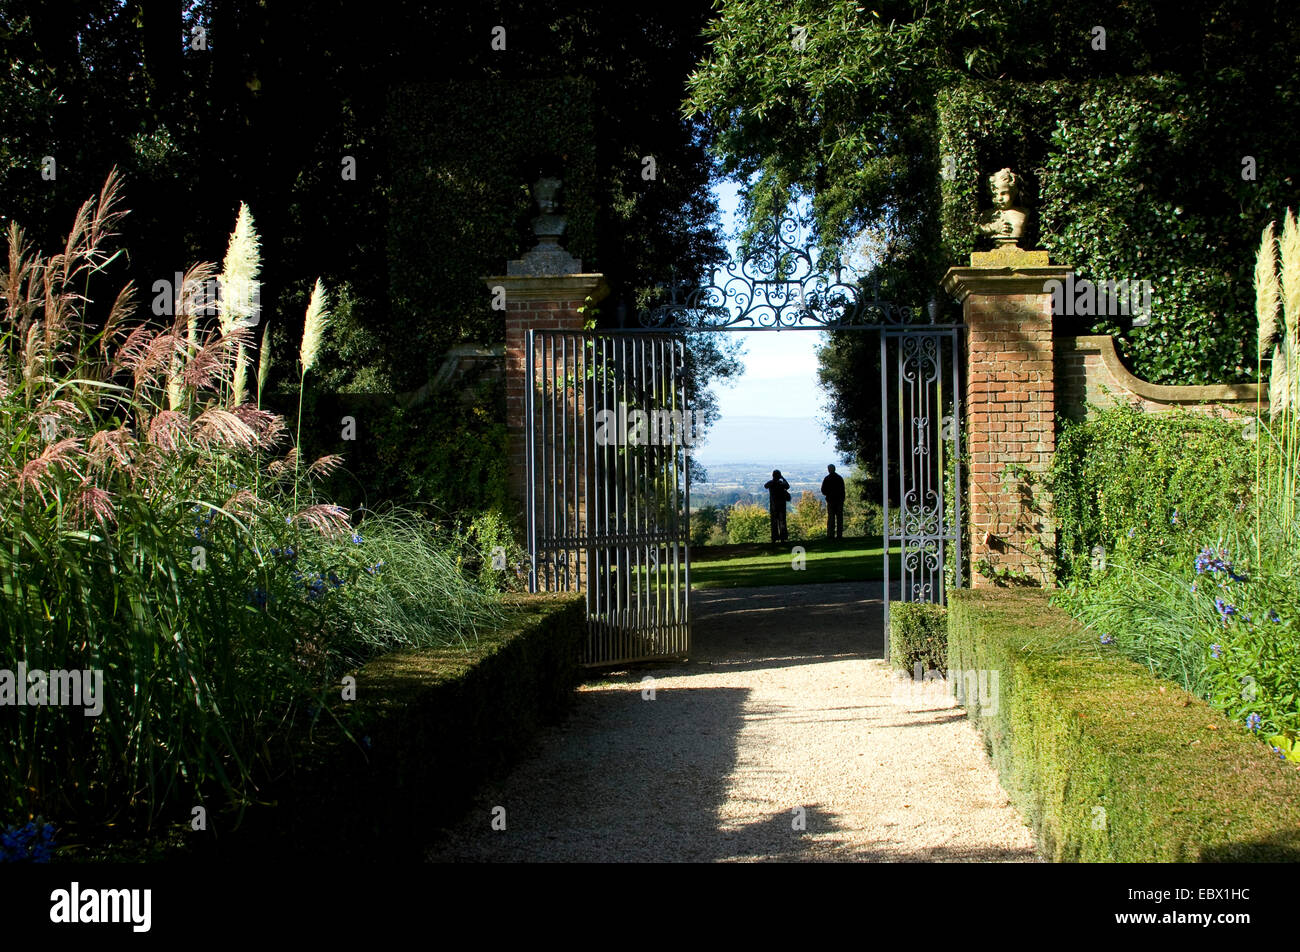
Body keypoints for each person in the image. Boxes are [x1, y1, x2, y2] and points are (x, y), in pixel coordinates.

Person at [763, 469, 790, 543]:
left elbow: (765, 486)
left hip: (773, 506)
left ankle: (774, 538)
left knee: (774, 522)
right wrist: (783, 478)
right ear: (779, 476)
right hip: (781, 505)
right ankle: (783, 538)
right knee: (782, 522)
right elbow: (788, 486)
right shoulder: (781, 484)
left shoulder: (771, 483)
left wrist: (773, 480)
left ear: (773, 475)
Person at [821, 464, 846, 540]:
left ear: (829, 469)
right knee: (839, 519)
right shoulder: (839, 478)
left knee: (831, 518)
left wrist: (828, 495)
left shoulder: (827, 478)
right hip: (839, 501)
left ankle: (830, 535)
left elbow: (823, 490)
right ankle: (839, 535)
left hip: (831, 501)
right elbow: (843, 490)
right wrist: (842, 499)